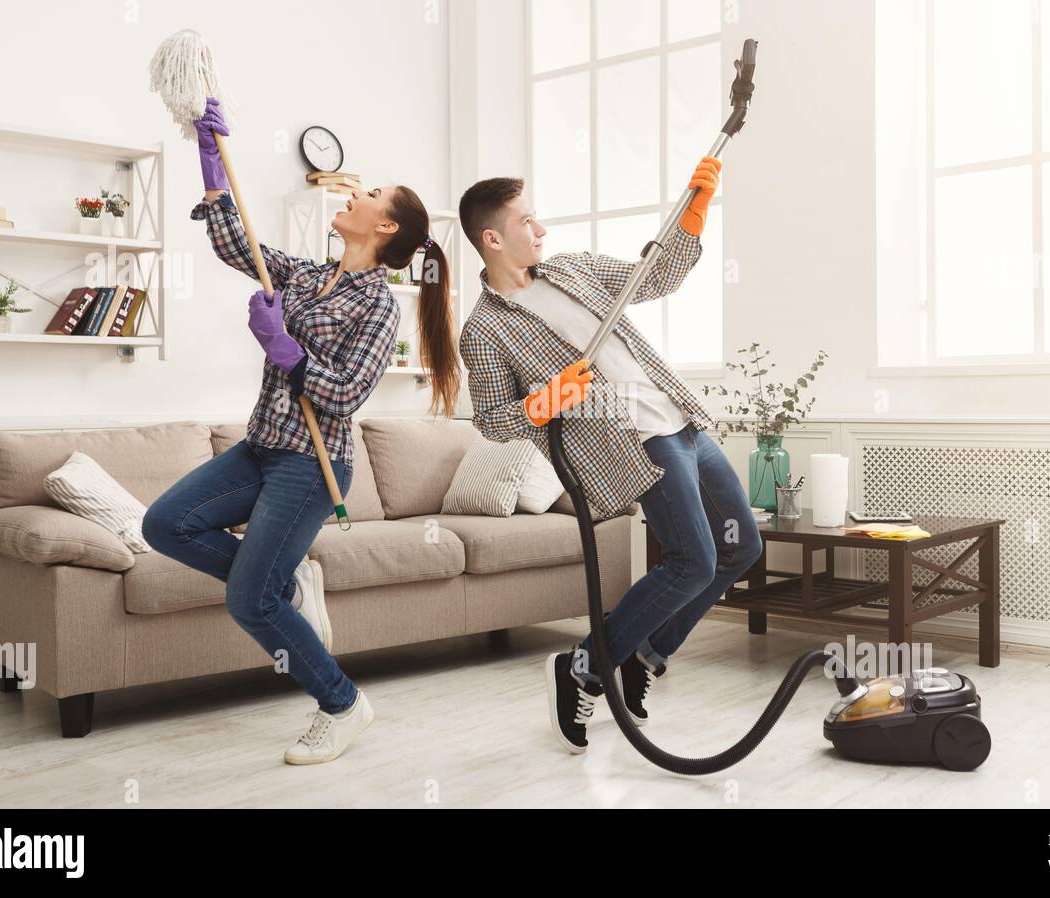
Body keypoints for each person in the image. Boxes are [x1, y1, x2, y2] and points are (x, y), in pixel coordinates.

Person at [143, 98, 460, 764]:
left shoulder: (378, 305)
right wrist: (211, 163)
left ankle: (343, 704)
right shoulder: (310, 274)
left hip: (312, 466)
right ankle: (287, 585)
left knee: (248, 602)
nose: (353, 192)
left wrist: (284, 349)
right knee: (166, 524)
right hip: (261, 447)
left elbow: (345, 394)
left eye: (368, 193)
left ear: (386, 225)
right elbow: (240, 248)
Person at [457, 157, 764, 753]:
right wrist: (543, 402)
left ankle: (643, 653)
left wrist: (695, 212)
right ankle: (582, 666)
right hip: (635, 444)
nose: (541, 230)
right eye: (527, 221)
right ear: (492, 239)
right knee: (692, 562)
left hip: (681, 421)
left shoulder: (573, 269)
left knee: (741, 547)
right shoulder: (485, 330)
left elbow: (656, 277)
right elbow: (492, 420)